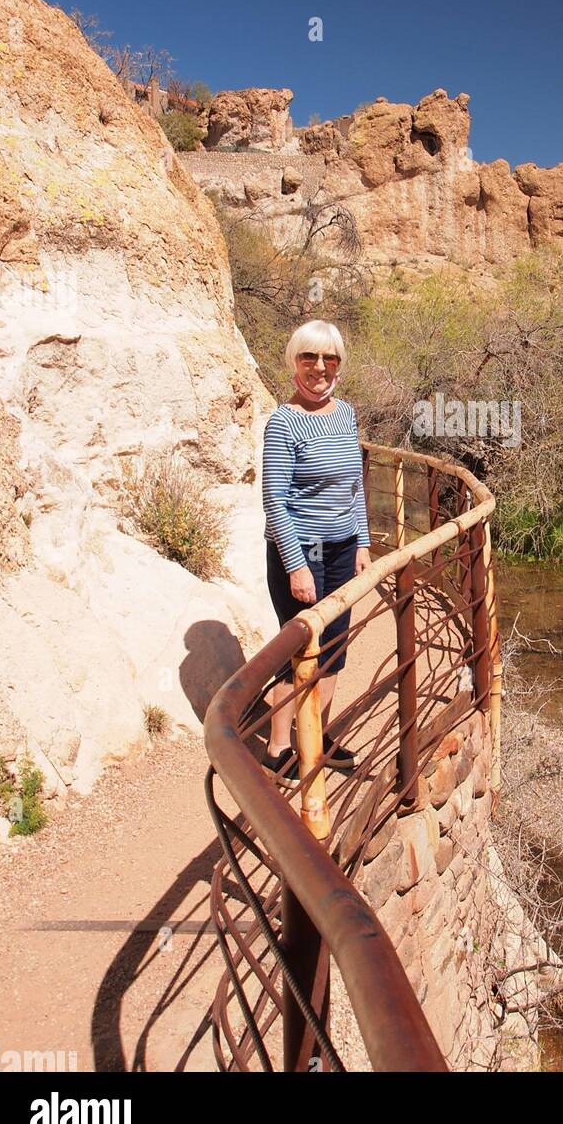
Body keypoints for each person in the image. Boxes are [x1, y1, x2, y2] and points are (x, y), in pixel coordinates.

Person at [261, 319, 371, 779]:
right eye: (310, 358)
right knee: (301, 650)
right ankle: (279, 749)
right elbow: (274, 498)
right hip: (303, 551)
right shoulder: (283, 422)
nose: (320, 367)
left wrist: (362, 541)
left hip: (343, 548)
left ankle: (318, 736)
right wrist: (297, 567)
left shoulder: (345, 413)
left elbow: (354, 487)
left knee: (334, 650)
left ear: (339, 367)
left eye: (329, 359)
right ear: (295, 364)